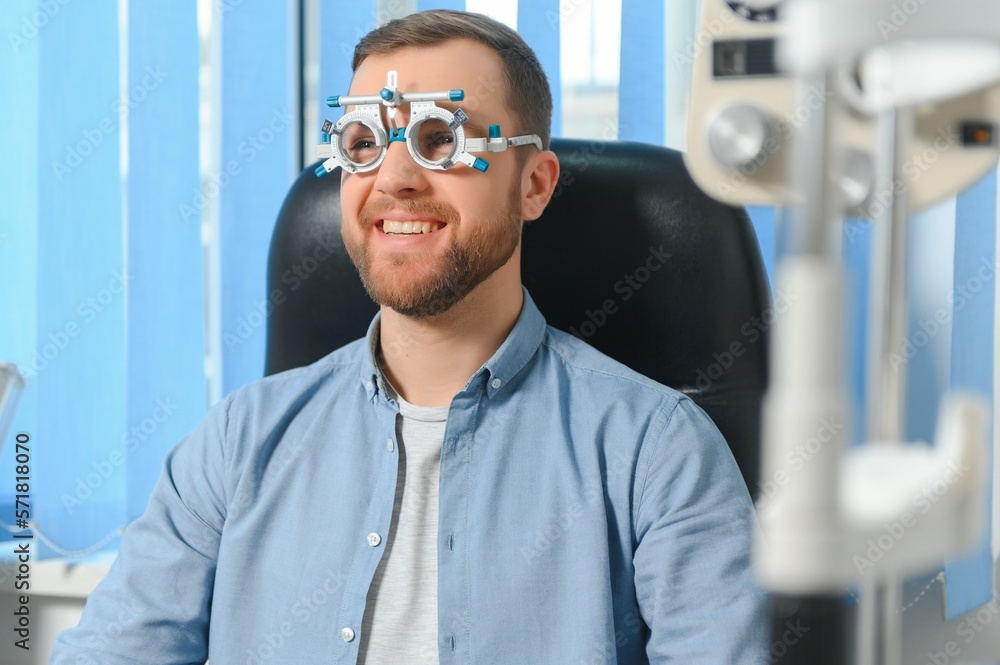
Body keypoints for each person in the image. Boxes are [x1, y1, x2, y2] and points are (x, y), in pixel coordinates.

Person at [51, 9, 768, 664]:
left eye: (438, 138)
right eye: (362, 141)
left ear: (535, 185)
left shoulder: (659, 451)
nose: (393, 177)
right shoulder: (237, 444)